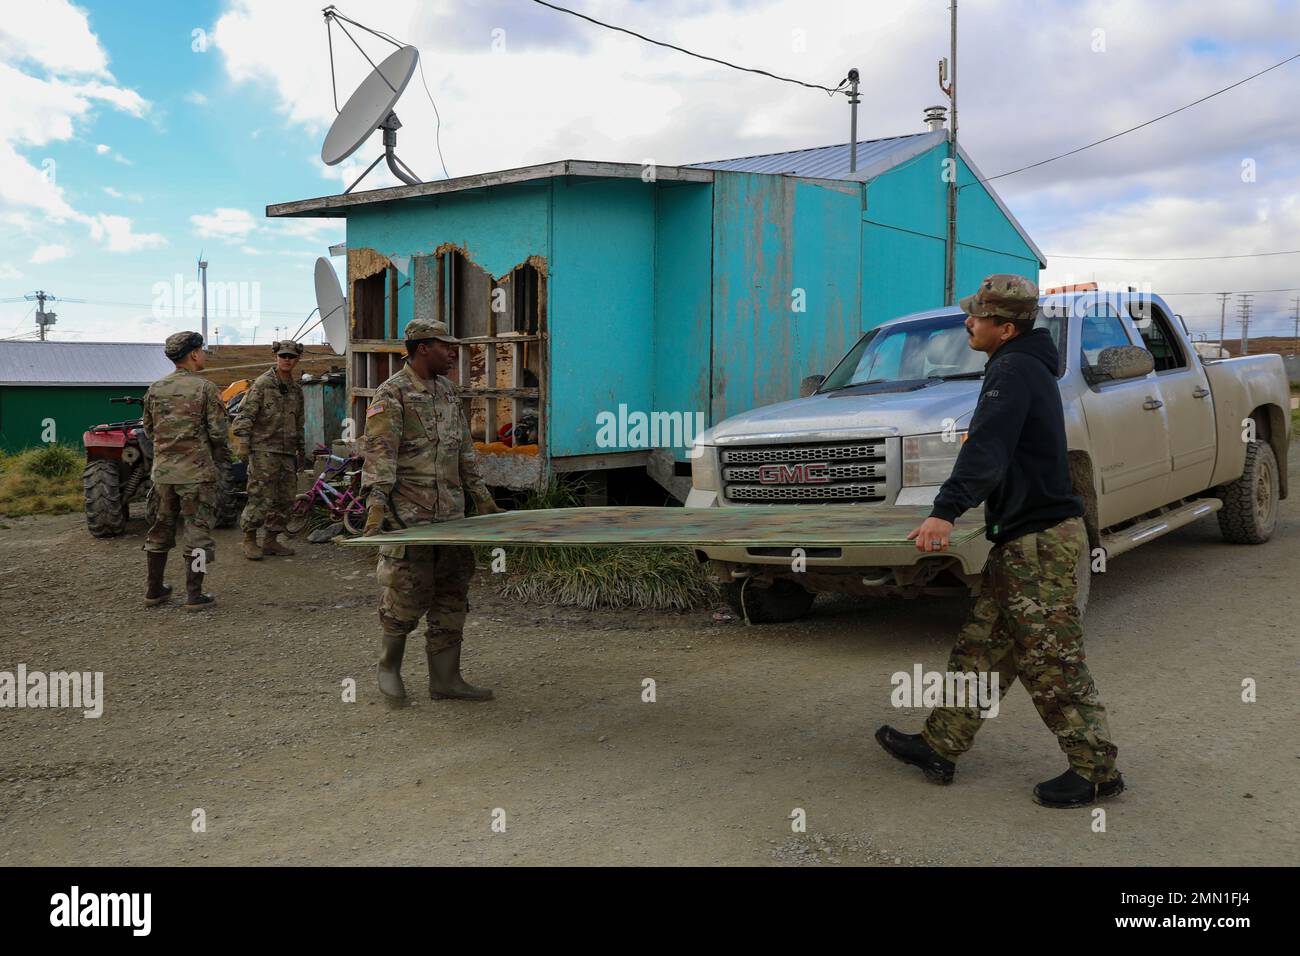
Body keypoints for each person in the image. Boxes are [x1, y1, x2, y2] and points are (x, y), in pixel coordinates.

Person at [875, 274, 1123, 808]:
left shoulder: (1011, 371)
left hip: (1037, 541)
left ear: (1005, 328)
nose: (968, 322)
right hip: (1021, 536)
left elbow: (987, 448)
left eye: (977, 317)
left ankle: (1096, 769)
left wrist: (945, 512)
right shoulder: (1019, 366)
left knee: (1051, 659)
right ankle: (940, 746)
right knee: (982, 647)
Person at [359, 318, 504, 707]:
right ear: (423, 347)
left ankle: (446, 678)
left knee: (453, 590)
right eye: (446, 346)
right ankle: (388, 666)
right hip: (410, 516)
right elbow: (379, 453)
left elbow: (464, 452)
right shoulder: (393, 393)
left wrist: (481, 497)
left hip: (452, 516)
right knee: (408, 590)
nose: (453, 353)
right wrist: (376, 508)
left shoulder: (447, 391)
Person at [141, 331, 229, 611]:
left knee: (160, 530)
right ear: (193, 354)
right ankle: (195, 594)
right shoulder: (205, 388)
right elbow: (218, 433)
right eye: (202, 351)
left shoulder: (155, 388)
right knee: (198, 534)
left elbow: (149, 429)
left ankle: (154, 590)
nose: (203, 355)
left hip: (163, 475)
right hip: (196, 474)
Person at [232, 340, 306, 560]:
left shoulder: (296, 389)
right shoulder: (263, 384)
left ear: (297, 359)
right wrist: (244, 444)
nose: (287, 360)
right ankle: (249, 539)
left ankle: (271, 540)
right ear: (276, 357)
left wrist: (301, 449)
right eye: (283, 356)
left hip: (286, 452)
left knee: (285, 498)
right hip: (264, 449)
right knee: (260, 496)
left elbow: (299, 421)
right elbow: (244, 416)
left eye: (291, 357)